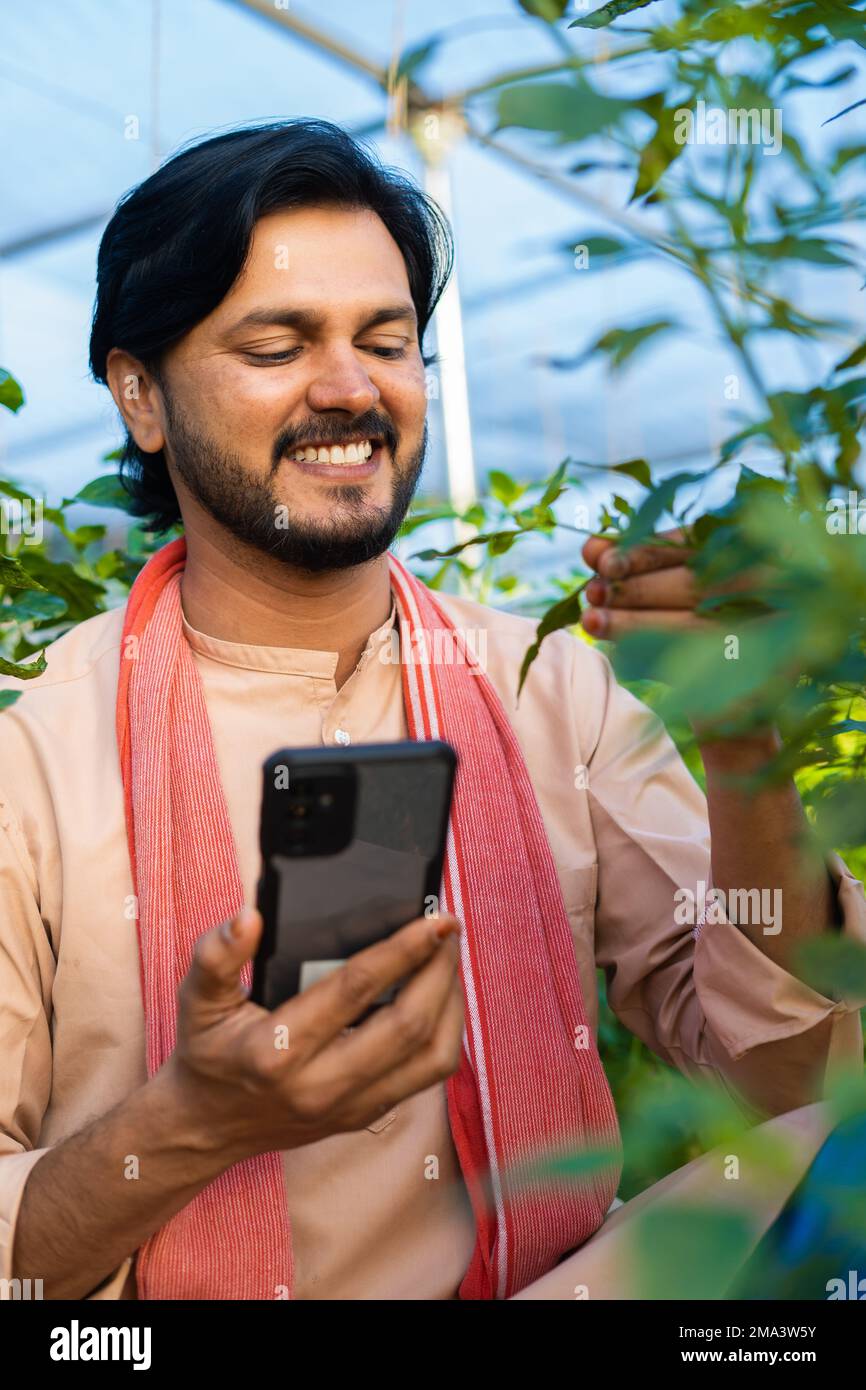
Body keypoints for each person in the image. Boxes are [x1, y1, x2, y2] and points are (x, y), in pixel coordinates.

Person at [1, 120, 863, 1302]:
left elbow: (787, 1076)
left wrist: (744, 737)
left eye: (386, 340)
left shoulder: (548, 688)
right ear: (139, 396)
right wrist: (196, 1123)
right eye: (276, 344)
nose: (350, 387)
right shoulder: (30, 749)